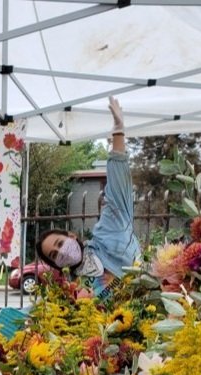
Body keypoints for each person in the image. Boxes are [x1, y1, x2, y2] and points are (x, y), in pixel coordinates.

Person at [35, 96, 140, 299]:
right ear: (56, 266)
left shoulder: (110, 231)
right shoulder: (72, 291)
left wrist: (118, 131)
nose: (62, 252)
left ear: (71, 236)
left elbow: (117, 189)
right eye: (55, 256)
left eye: (59, 244)